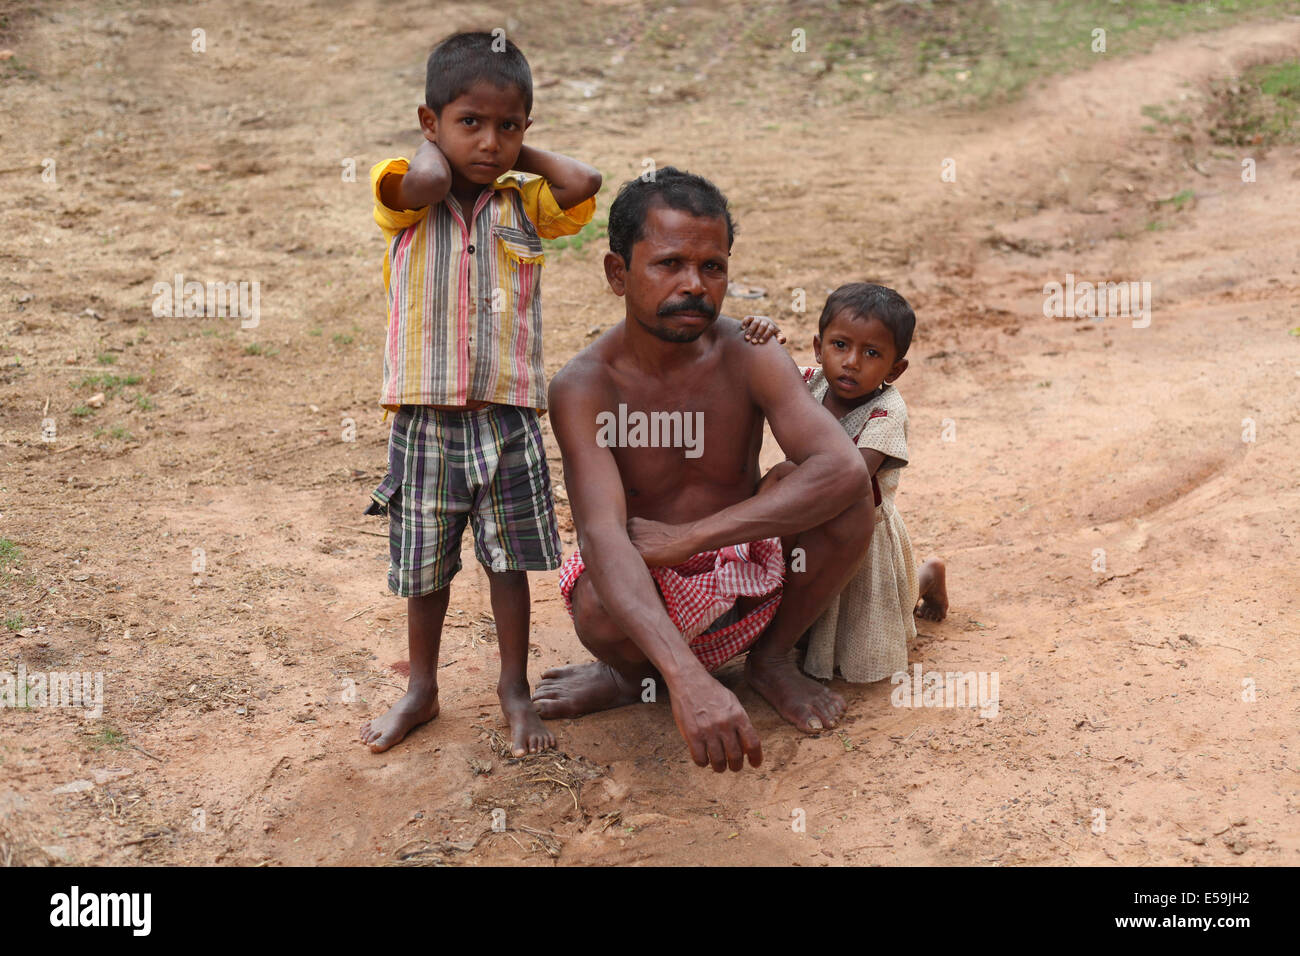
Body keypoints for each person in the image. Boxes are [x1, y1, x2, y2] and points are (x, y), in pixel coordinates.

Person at [534, 167, 876, 773]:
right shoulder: (584, 386)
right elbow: (603, 535)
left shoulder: (750, 351)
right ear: (619, 274)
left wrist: (695, 537)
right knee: (595, 606)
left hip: (743, 559)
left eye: (712, 267)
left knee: (851, 494)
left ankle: (770, 662)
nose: (694, 285)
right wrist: (687, 679)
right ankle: (633, 676)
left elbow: (840, 468)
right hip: (645, 580)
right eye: (669, 264)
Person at [359, 32, 602, 755]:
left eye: (509, 125)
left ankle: (513, 689)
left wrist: (509, 153)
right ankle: (421, 689)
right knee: (426, 569)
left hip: (507, 420)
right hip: (425, 422)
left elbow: (585, 182)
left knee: (508, 565)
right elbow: (428, 184)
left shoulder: (526, 201)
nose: (490, 141)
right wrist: (449, 147)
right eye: (470, 122)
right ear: (428, 123)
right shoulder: (402, 189)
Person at [746, 284, 949, 684]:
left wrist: (781, 477)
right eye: (840, 345)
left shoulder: (887, 411)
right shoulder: (811, 381)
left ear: (895, 369)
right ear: (819, 348)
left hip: (861, 533)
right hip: (806, 518)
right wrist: (763, 335)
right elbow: (766, 372)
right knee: (810, 593)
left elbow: (848, 479)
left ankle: (929, 575)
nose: (852, 362)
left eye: (872, 353)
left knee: (873, 611)